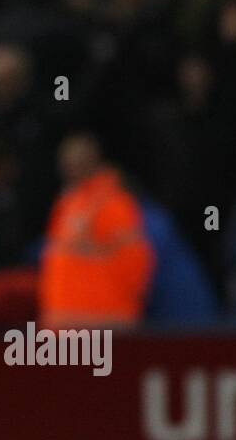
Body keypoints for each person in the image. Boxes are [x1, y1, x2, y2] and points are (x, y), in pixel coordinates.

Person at [38, 133, 155, 330]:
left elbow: (137, 261)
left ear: (91, 162)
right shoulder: (69, 201)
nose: (69, 170)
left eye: (76, 163)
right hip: (65, 320)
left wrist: (121, 307)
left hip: (102, 320)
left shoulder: (113, 203)